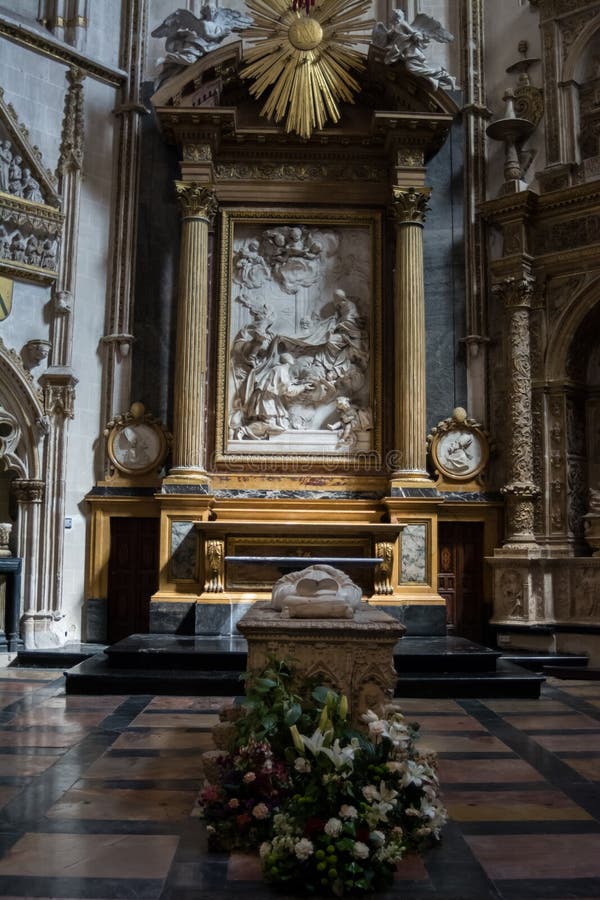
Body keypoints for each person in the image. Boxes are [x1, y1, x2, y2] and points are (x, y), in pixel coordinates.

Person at [245, 352, 313, 430]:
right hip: (266, 398)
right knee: (271, 423)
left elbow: (283, 384)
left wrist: (298, 383)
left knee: (282, 422)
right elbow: (288, 390)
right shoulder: (281, 369)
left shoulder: (278, 369)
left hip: (269, 397)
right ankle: (244, 430)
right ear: (289, 361)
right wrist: (303, 387)